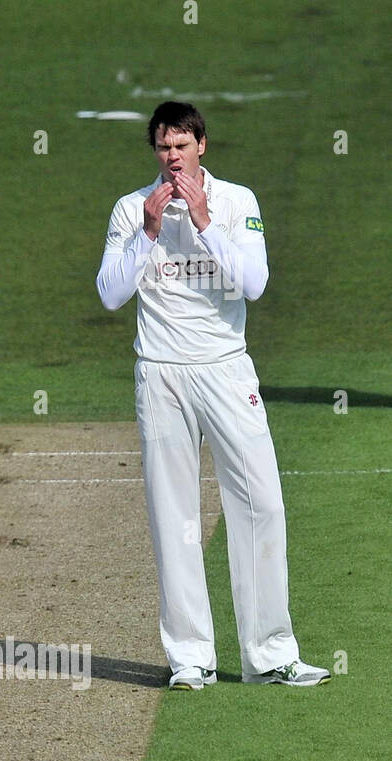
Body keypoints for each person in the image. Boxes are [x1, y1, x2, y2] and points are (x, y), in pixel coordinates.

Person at [95, 102, 329, 690]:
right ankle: (191, 659)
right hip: (161, 374)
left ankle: (271, 655)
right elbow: (110, 295)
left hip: (226, 371)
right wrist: (149, 234)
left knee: (262, 504)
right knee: (174, 517)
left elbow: (253, 284)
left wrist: (203, 224)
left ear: (202, 145)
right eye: (163, 148)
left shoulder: (237, 203)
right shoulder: (132, 210)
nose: (172, 157)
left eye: (181, 145)